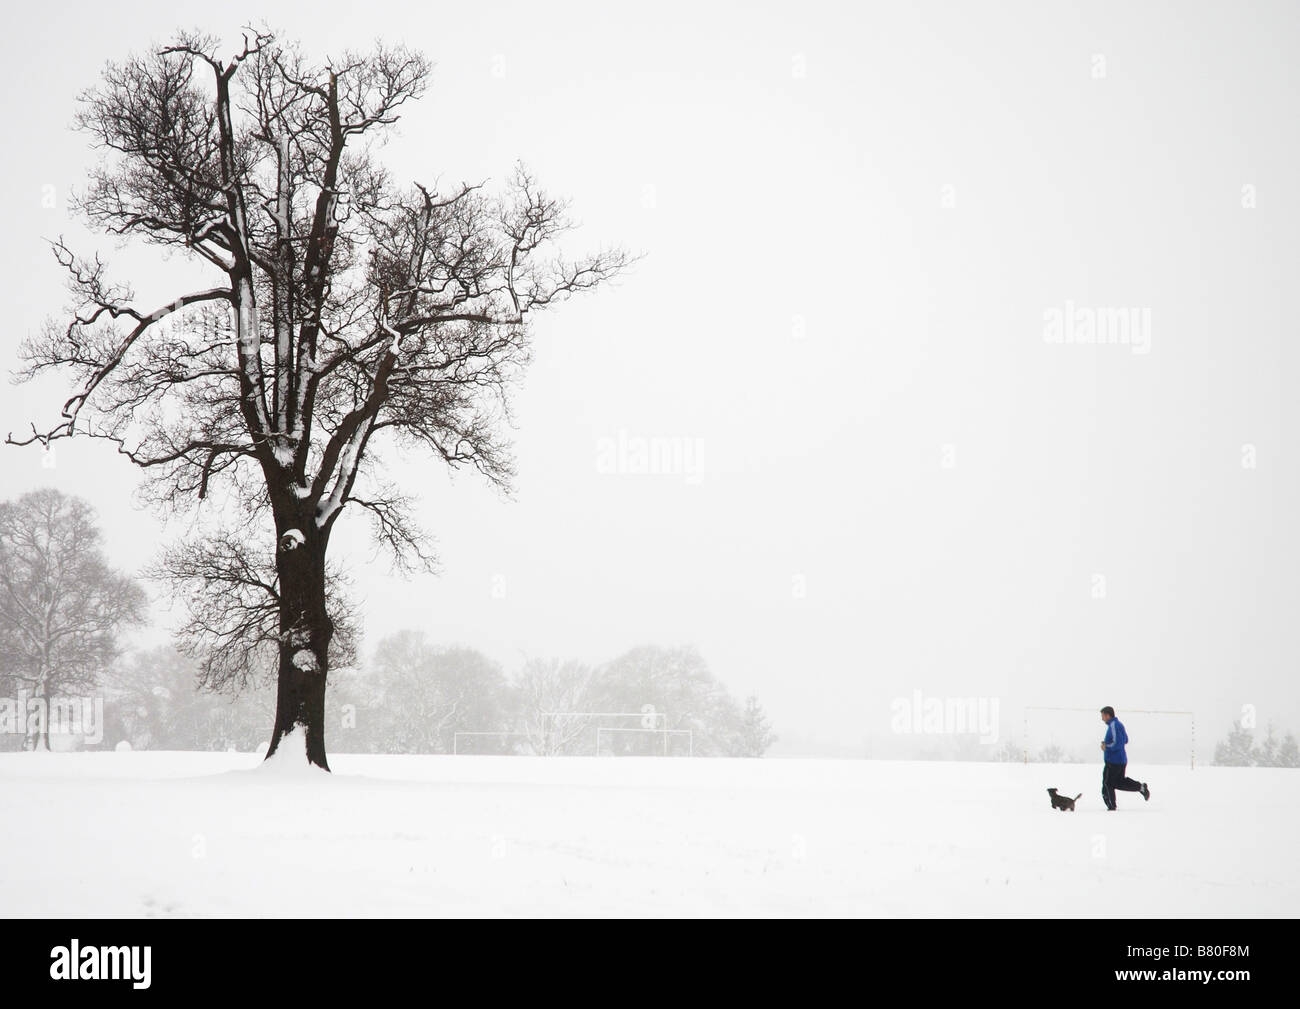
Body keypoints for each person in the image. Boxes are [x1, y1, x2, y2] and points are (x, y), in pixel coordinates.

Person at [1100, 706, 1150, 810]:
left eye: (1103, 716)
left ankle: (1111, 807)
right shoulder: (1118, 725)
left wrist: (1106, 746)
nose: (1102, 718)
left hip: (1114, 761)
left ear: (1108, 715)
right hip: (1119, 760)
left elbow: (1118, 743)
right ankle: (1141, 787)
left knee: (1108, 783)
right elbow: (1126, 739)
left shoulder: (1114, 725)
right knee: (1119, 782)